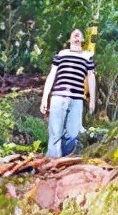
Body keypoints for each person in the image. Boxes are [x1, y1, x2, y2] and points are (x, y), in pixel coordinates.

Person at [40, 28, 96, 157]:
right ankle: (52, 163)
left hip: (77, 99)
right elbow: (51, 75)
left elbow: (91, 78)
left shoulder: (87, 56)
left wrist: (92, 100)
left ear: (82, 40)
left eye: (79, 35)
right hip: (58, 96)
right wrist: (45, 98)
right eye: (74, 35)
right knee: (55, 132)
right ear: (69, 39)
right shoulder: (61, 54)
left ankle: (61, 158)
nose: (76, 37)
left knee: (73, 133)